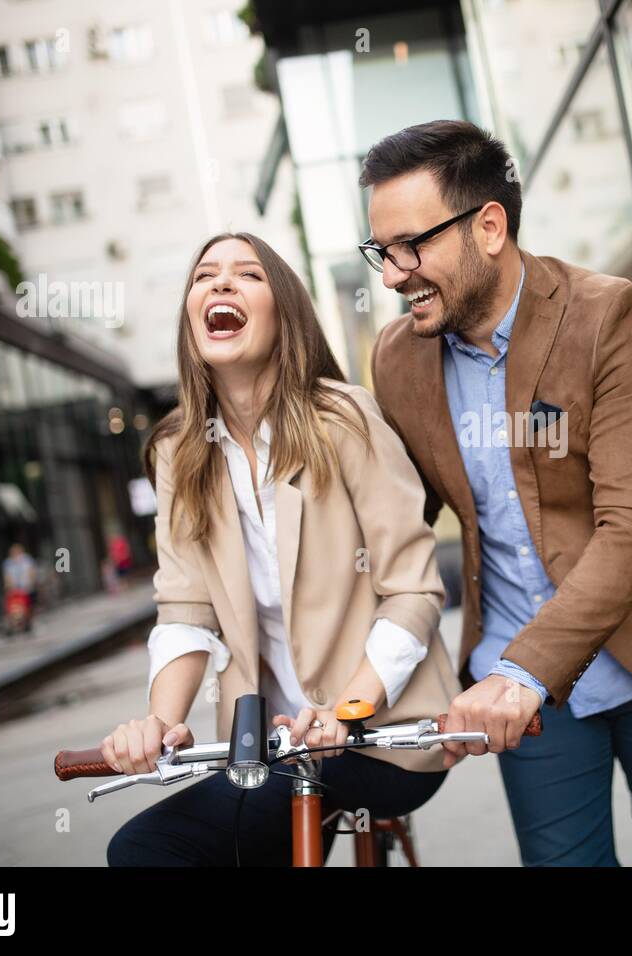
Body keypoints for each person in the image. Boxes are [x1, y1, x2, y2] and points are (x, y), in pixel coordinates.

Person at [362, 120, 632, 866]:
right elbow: (393, 526)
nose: (392, 275)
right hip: (523, 682)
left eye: (410, 247)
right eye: (381, 252)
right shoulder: (398, 359)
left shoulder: (608, 316)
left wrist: (523, 674)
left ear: (489, 227)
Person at [104, 231, 460, 866]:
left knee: (148, 850)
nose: (220, 284)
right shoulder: (177, 450)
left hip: (382, 736)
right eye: (205, 275)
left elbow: (412, 588)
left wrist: (347, 711)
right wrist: (160, 724)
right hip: (266, 748)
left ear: (285, 312)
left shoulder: (344, 419)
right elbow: (185, 609)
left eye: (248, 275)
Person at [1, 543, 38, 635]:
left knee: (29, 607)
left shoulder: (27, 560)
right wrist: (9, 588)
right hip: (15, 590)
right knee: (14, 608)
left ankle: (27, 624)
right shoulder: (8, 563)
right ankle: (13, 626)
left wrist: (31, 583)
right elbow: (7, 576)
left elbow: (31, 572)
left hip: (27, 588)